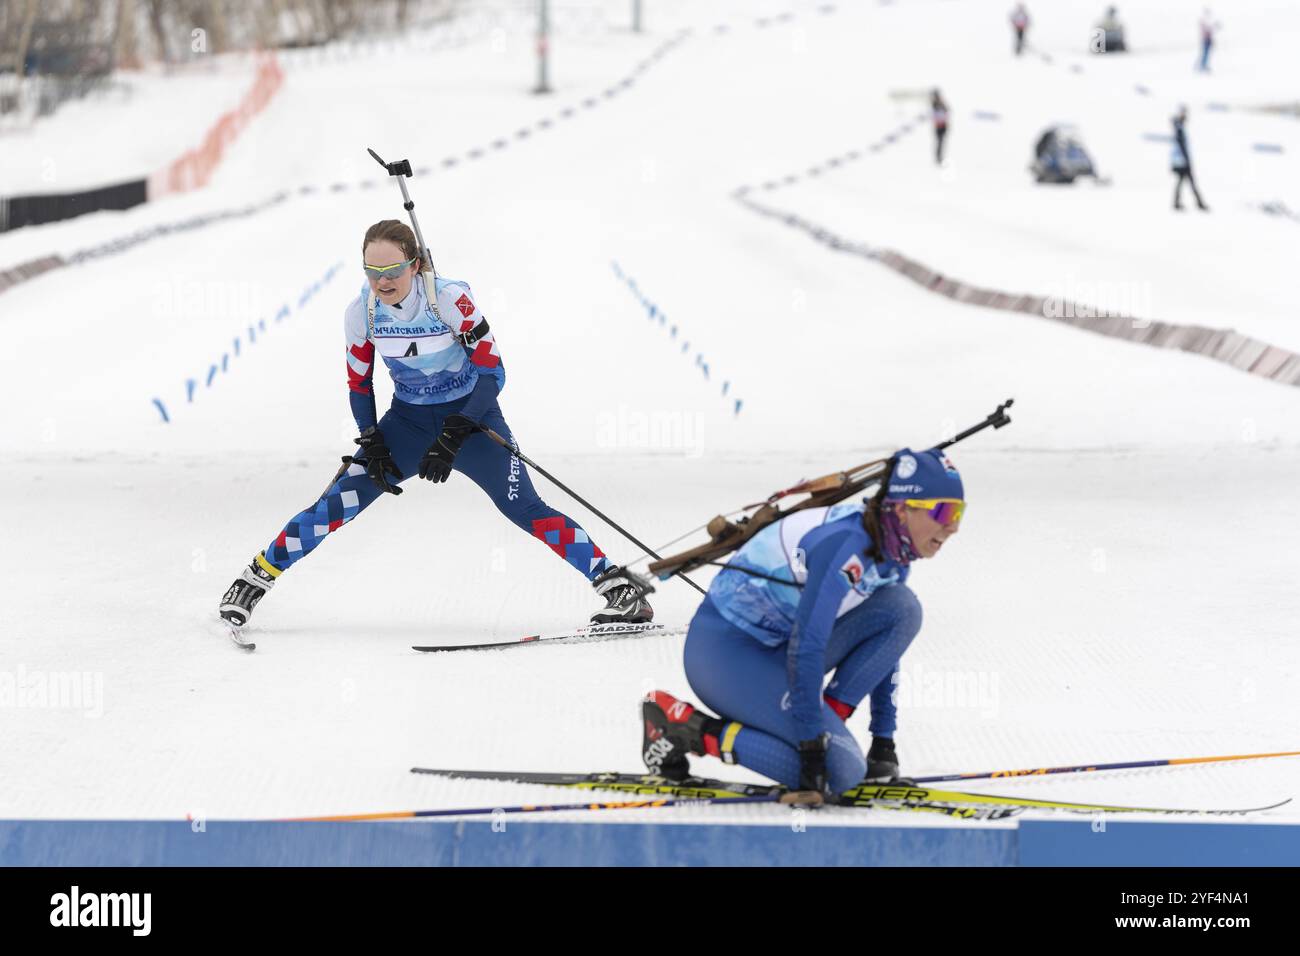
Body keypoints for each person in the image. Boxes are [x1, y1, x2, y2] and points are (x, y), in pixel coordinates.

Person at [218, 219, 653, 630]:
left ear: (416, 264)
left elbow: (493, 373)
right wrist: (371, 438)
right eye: (373, 271)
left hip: (473, 419)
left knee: (524, 507)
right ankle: (254, 580)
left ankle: (619, 589)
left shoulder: (449, 298)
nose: (382, 281)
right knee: (335, 505)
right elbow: (358, 383)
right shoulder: (362, 312)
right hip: (406, 424)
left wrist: (456, 431)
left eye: (392, 270)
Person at [641, 448, 966, 800]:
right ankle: (680, 727)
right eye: (944, 511)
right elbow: (807, 645)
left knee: (902, 608)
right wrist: (812, 748)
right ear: (902, 509)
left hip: (778, 649)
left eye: (959, 512)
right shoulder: (847, 546)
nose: (953, 526)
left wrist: (883, 740)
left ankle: (825, 729)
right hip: (726, 657)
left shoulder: (895, 551)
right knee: (843, 775)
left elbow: (886, 642)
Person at [1170, 106, 1208, 211]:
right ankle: (1199, 204)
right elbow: (1181, 147)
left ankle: (1178, 203)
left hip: (1181, 161)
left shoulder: (1179, 128)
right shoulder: (1179, 130)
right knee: (1190, 182)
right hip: (1183, 162)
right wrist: (1187, 160)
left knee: (1183, 183)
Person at [931, 90, 949, 166]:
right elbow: (935, 115)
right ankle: (938, 158)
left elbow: (947, 111)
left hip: (943, 126)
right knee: (939, 143)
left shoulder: (942, 104)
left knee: (941, 143)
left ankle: (940, 157)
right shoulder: (934, 105)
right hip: (938, 126)